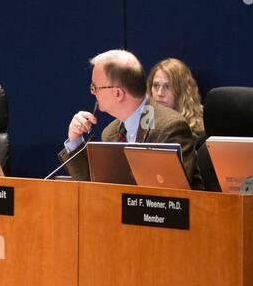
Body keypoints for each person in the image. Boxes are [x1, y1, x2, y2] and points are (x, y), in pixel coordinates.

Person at [60, 49, 202, 188]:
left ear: (118, 93)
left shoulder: (170, 127)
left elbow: (175, 197)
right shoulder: (111, 133)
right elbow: (95, 188)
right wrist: (75, 140)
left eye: (95, 87)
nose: (93, 93)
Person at [148, 58, 205, 137]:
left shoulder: (194, 135)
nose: (159, 93)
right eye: (156, 86)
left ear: (182, 91)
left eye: (167, 87)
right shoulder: (142, 126)